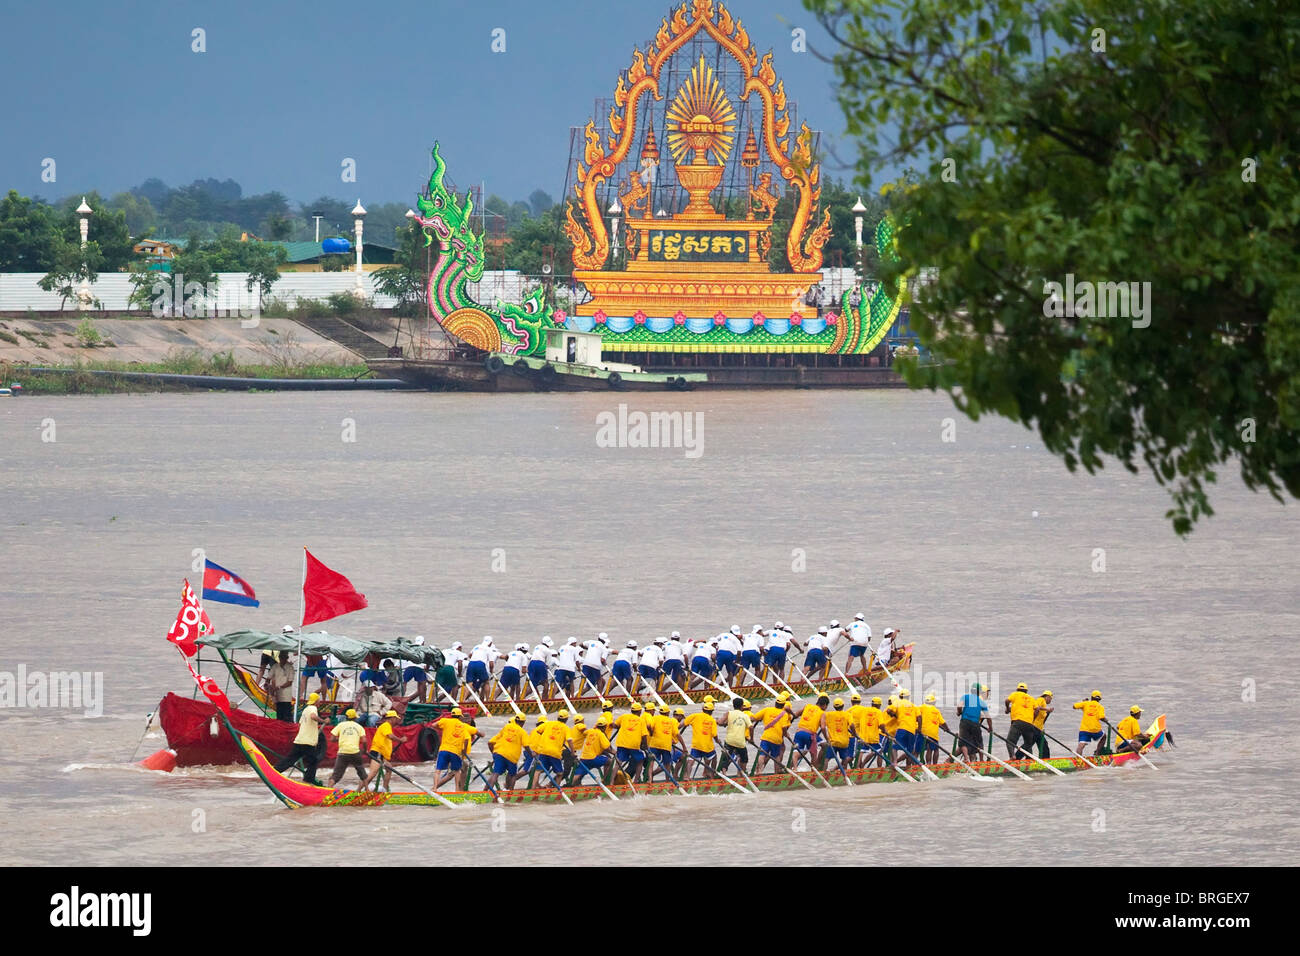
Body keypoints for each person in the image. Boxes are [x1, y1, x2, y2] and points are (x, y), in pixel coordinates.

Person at [275, 692, 325, 785]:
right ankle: (308, 779)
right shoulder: (313, 708)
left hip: (299, 740)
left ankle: (275, 771)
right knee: (313, 761)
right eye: (319, 701)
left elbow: (301, 724)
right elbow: (313, 717)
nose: (320, 703)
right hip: (308, 742)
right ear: (316, 701)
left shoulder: (305, 710)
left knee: (290, 759)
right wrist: (323, 721)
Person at [430, 707, 483, 791]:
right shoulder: (463, 726)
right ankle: (457, 790)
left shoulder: (446, 721)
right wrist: (464, 751)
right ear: (461, 717)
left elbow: (433, 725)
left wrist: (441, 728)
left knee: (441, 770)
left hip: (444, 750)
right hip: (456, 752)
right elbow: (477, 735)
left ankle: (436, 788)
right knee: (454, 772)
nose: (469, 720)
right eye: (467, 719)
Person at [358, 709, 408, 792]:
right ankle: (358, 791)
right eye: (396, 718)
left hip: (382, 755)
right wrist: (401, 740)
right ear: (391, 718)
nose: (396, 720)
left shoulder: (387, 726)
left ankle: (385, 789)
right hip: (378, 752)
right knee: (373, 773)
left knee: (389, 769)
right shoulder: (386, 725)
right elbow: (390, 736)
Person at [752, 692, 794, 775]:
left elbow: (753, 718)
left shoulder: (767, 710)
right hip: (776, 739)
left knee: (762, 754)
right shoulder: (784, 714)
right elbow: (784, 727)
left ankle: (758, 771)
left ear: (775, 703)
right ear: (783, 705)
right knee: (776, 756)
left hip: (766, 737)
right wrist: (786, 734)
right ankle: (776, 773)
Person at [487, 713, 528, 791]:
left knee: (495, 773)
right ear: (523, 722)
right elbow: (526, 746)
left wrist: (494, 754)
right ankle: (510, 792)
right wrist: (531, 754)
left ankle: (486, 791)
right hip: (511, 756)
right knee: (513, 775)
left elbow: (490, 742)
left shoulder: (506, 727)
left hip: (499, 753)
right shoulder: (522, 732)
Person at [329, 707, 369, 788]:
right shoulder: (359, 727)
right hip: (355, 752)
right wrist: (365, 750)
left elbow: (332, 739)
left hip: (343, 752)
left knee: (336, 774)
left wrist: (342, 738)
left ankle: (328, 790)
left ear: (346, 717)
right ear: (354, 718)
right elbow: (364, 741)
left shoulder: (340, 725)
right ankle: (367, 790)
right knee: (361, 772)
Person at [612, 702, 650, 781]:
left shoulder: (624, 716)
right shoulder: (641, 720)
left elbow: (615, 725)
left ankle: (611, 781)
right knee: (641, 760)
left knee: (618, 762)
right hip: (634, 745)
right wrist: (645, 746)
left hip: (621, 743)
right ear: (639, 711)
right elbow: (644, 736)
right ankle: (636, 781)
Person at [1004, 682, 1041, 760]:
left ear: (1018, 690)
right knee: (1028, 744)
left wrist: (1007, 709)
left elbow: (1007, 701)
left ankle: (1012, 757)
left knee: (1010, 742)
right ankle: (1030, 759)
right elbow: (1037, 709)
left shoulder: (1015, 694)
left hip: (1018, 722)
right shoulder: (1031, 698)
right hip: (1029, 724)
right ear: (1026, 691)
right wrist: (1033, 719)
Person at [682, 700, 719, 778]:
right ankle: (712, 773)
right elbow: (714, 734)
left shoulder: (695, 716)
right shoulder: (712, 720)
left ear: (703, 710)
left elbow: (682, 724)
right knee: (714, 757)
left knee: (691, 761)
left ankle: (686, 776)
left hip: (696, 744)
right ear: (711, 711)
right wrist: (717, 740)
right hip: (707, 746)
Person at [573, 714, 614, 784]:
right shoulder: (601, 734)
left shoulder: (590, 731)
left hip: (583, 758)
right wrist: (615, 753)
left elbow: (584, 732)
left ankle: (571, 785)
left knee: (578, 774)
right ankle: (604, 781)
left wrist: (594, 728)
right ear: (605, 727)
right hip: (593, 758)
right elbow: (607, 748)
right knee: (609, 761)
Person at [955, 683, 991, 761]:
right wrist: (990, 728)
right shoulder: (982, 702)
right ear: (980, 692)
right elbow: (988, 717)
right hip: (975, 724)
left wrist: (959, 712)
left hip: (965, 722)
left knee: (963, 743)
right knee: (979, 743)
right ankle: (981, 761)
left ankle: (966, 759)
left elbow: (959, 706)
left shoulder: (965, 697)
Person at [645, 704, 682, 782]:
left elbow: (648, 726)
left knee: (651, 762)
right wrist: (684, 747)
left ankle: (650, 780)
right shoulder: (671, 721)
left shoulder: (654, 718)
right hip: (666, 745)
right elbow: (677, 734)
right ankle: (667, 780)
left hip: (654, 744)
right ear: (668, 713)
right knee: (667, 764)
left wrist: (651, 733)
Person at [792, 694, 829, 768]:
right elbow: (822, 727)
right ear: (824, 705)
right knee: (815, 752)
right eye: (826, 706)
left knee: (797, 752)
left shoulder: (807, 706)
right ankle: (815, 768)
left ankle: (794, 769)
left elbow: (795, 715)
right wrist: (827, 738)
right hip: (810, 735)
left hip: (798, 732)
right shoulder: (822, 713)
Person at [720, 697, 753, 775]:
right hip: (740, 742)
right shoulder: (745, 715)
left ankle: (724, 773)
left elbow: (721, 722)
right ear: (742, 706)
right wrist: (752, 739)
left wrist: (725, 723)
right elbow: (751, 727)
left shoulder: (729, 713)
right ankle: (741, 773)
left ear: (733, 705)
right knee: (744, 759)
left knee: (726, 758)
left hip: (729, 740)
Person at [821, 698, 855, 773]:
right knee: (844, 759)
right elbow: (852, 725)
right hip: (844, 742)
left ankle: (823, 773)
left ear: (834, 707)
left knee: (827, 758)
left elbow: (822, 722)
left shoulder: (828, 714)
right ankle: (844, 773)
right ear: (843, 706)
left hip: (832, 742)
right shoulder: (847, 714)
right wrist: (854, 733)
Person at [265, 650, 297, 721]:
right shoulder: (275, 666)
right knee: (279, 715)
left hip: (286, 696)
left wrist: (279, 687)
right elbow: (269, 678)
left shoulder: (290, 668)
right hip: (277, 696)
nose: (281, 659)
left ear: (286, 658)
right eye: (280, 657)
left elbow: (290, 682)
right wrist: (267, 685)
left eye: (283, 657)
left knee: (287, 715)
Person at [1073, 690, 1107, 756]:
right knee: (1104, 736)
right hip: (1095, 730)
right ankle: (1097, 753)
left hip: (1084, 729)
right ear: (1099, 699)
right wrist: (1107, 720)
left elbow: (1074, 706)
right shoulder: (1100, 707)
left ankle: (1079, 759)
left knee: (1081, 745)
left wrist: (1083, 703)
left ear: (1091, 697)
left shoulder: (1085, 703)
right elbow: (1102, 717)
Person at [918, 692, 948, 763]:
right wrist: (947, 729)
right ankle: (934, 765)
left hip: (923, 732)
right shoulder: (936, 710)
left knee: (921, 749)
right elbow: (942, 722)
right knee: (934, 749)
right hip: (932, 734)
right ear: (934, 702)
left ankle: (926, 763)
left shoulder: (921, 707)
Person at [845, 614, 873, 678]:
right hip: (865, 643)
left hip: (855, 641)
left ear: (856, 618)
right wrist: (864, 642)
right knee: (862, 655)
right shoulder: (867, 626)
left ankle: (846, 673)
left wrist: (850, 637)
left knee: (851, 657)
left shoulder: (852, 623)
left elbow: (846, 630)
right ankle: (865, 669)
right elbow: (869, 638)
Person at [1032, 690, 1055, 757]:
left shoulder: (1044, 705)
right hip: (1034, 728)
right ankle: (1016, 758)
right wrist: (1047, 709)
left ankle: (1044, 761)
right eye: (1050, 698)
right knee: (1027, 745)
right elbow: (1037, 708)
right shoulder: (1041, 699)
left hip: (1039, 729)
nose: (1050, 701)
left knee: (1044, 746)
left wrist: (1048, 713)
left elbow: (1043, 720)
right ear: (1047, 697)